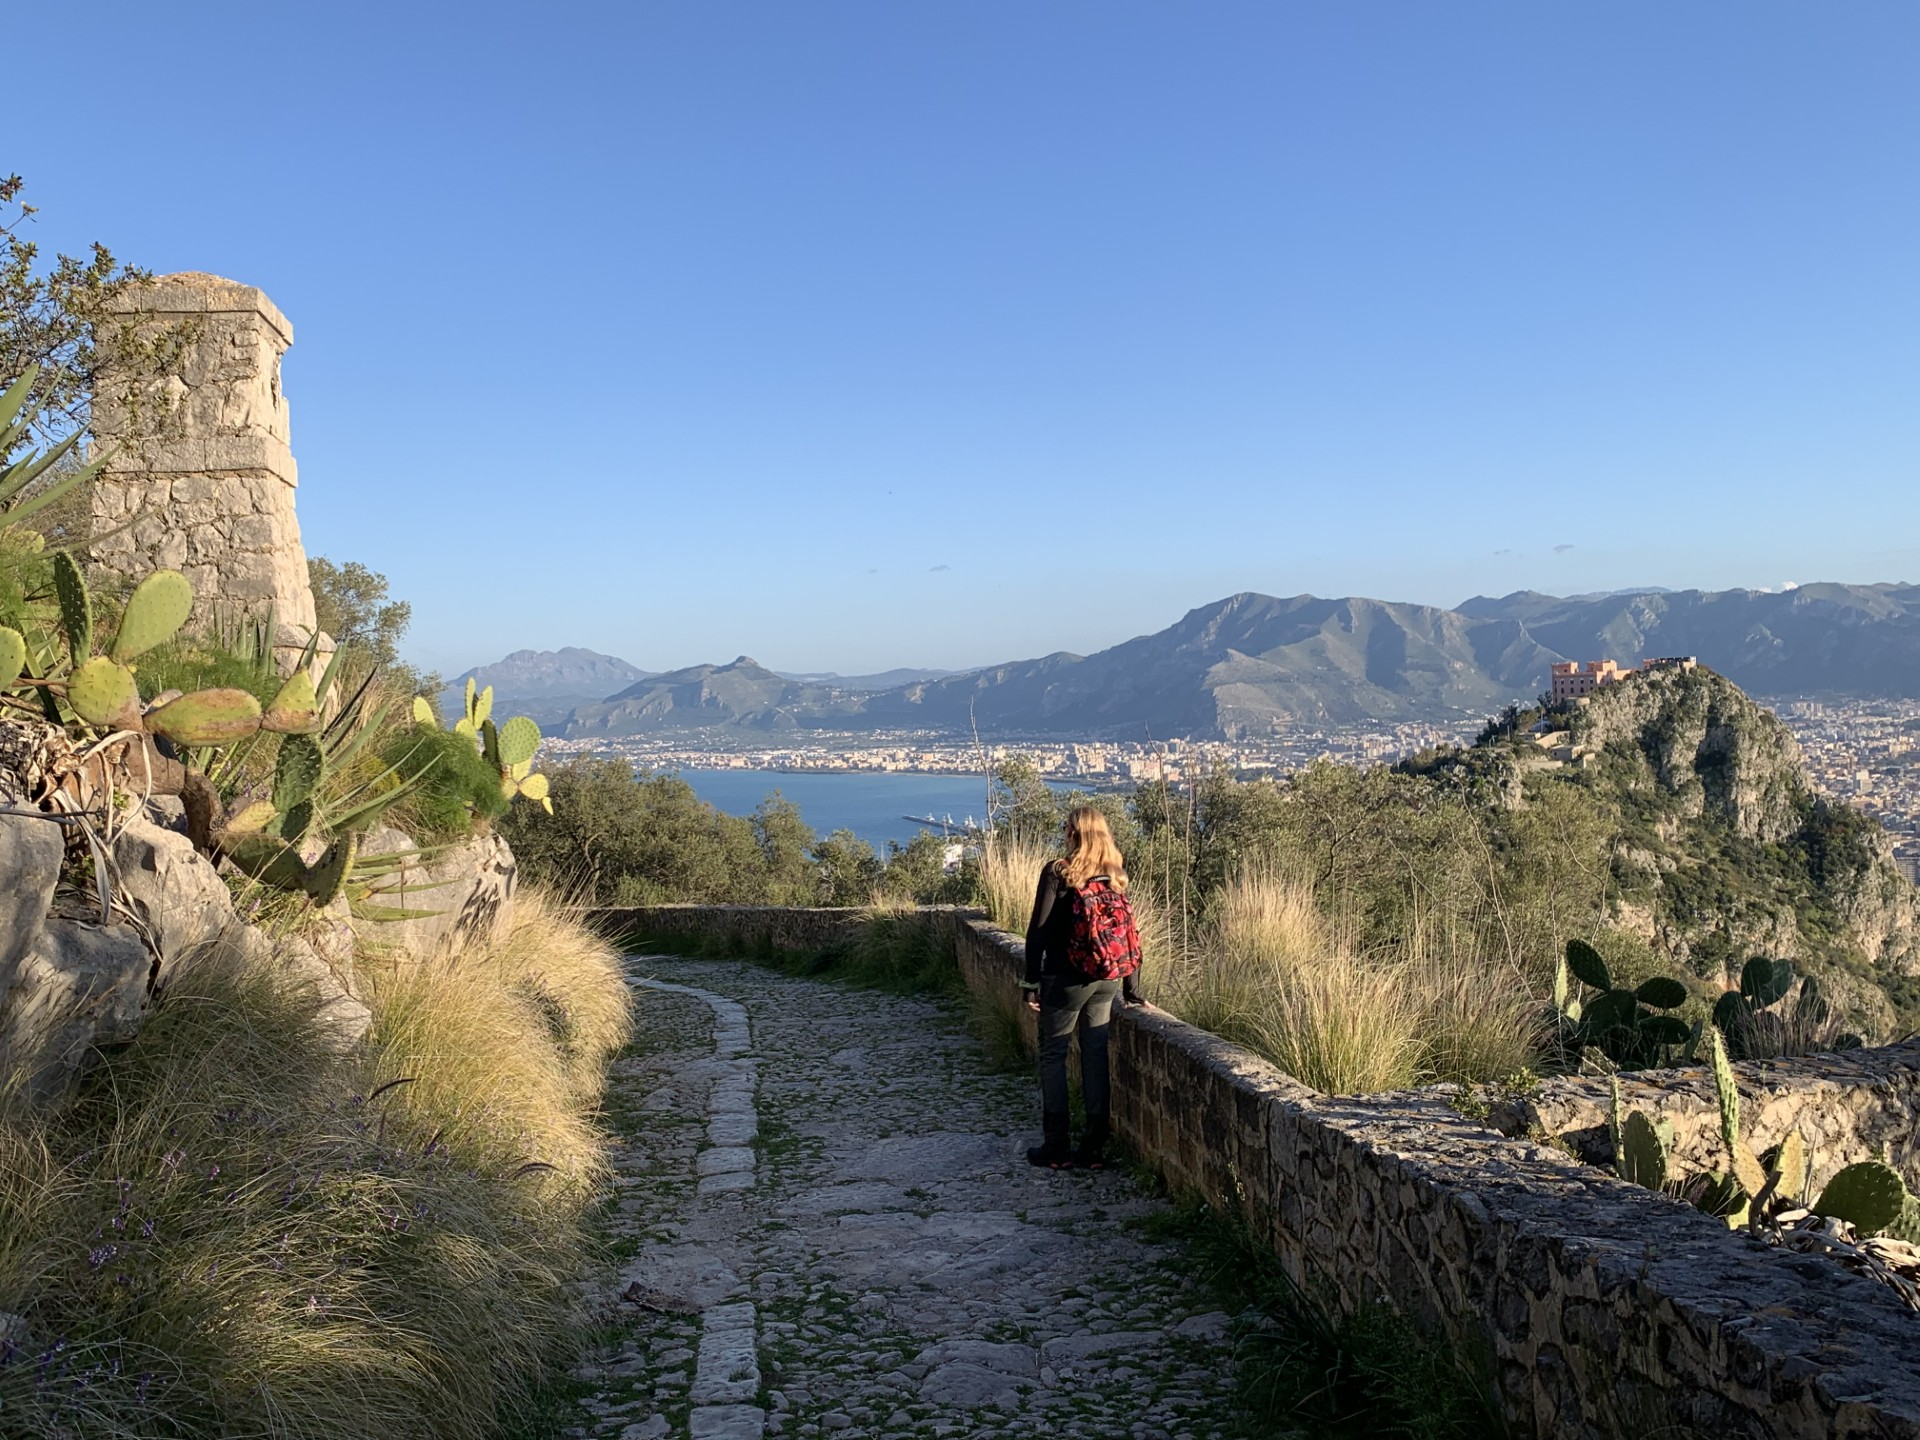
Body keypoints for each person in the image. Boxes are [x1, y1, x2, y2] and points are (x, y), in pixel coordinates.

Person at [1021, 805, 1144, 1170]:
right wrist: (1131, 989)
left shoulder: (1059, 872)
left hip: (1065, 979)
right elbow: (1128, 934)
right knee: (1095, 1055)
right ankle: (1093, 1148)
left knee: (1053, 1055)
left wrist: (1030, 982)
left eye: (1066, 828)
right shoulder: (1114, 876)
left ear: (1073, 833)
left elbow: (1038, 932)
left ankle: (1056, 1146)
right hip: (1106, 980)